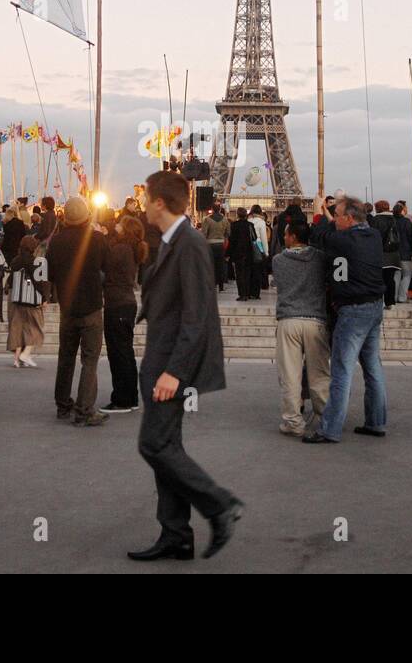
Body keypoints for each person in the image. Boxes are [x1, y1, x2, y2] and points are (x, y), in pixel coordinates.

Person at [128, 170, 240, 562]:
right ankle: (176, 534)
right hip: (160, 358)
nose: (142, 205)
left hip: (169, 364)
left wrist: (174, 371)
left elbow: (197, 314)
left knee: (153, 444)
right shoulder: (171, 241)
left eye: (145, 198)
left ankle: (219, 504)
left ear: (159, 201)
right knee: (166, 446)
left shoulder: (189, 243)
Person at [303, 192, 387, 443]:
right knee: (373, 368)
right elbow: (337, 232)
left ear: (349, 218)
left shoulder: (344, 242)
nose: (335, 219)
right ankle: (376, 422)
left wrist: (319, 212)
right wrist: (331, 213)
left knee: (341, 370)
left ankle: (330, 429)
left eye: (338, 216)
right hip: (375, 306)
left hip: (352, 310)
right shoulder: (373, 235)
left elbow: (319, 236)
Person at [45, 196, 107, 426]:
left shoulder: (57, 242)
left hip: (67, 308)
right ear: (87, 216)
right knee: (89, 360)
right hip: (91, 306)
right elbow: (106, 269)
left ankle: (63, 404)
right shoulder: (98, 240)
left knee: (66, 357)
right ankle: (84, 410)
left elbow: (50, 275)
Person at [272, 218, 330, 437]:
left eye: (286, 234)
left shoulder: (278, 260)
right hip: (315, 320)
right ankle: (326, 417)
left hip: (289, 320)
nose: (284, 237)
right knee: (320, 374)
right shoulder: (321, 258)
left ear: (293, 237)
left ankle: (293, 421)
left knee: (290, 375)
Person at [101, 215, 146, 413]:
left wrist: (101, 236)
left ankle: (122, 399)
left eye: (119, 224)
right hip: (125, 303)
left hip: (117, 304)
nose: (116, 225)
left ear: (126, 229)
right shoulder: (130, 249)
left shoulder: (121, 249)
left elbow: (104, 266)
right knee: (125, 353)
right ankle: (130, 396)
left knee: (118, 354)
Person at [6, 234, 46, 368]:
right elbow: (38, 281)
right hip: (30, 299)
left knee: (17, 328)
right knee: (35, 327)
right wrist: (44, 298)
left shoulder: (15, 260)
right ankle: (25, 354)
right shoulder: (35, 261)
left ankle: (17, 359)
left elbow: (10, 279)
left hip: (16, 298)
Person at [370, 200, 401, 309]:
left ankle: (378, 301)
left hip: (380, 254)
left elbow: (373, 238)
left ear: (378, 208)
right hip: (393, 255)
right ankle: (390, 302)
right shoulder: (394, 220)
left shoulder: (376, 220)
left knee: (378, 279)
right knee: (390, 279)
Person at [227, 207, 258, 301]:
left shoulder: (234, 225)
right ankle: (248, 293)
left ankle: (242, 294)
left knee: (239, 274)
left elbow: (231, 241)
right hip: (249, 252)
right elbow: (255, 238)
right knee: (247, 274)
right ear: (246, 215)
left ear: (237, 215)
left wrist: (228, 254)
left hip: (237, 253)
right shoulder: (250, 225)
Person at [198, 202, 229, 292]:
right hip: (221, 244)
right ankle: (221, 286)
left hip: (210, 244)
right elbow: (228, 232)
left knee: (210, 265)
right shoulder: (225, 220)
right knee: (220, 265)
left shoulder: (207, 219)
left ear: (212, 209)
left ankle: (212, 284)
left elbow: (204, 233)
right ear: (219, 209)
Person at [392, 202, 412, 302]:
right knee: (407, 275)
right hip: (406, 253)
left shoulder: (391, 221)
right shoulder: (407, 222)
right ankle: (402, 297)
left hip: (394, 253)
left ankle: (394, 296)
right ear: (402, 211)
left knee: (396, 274)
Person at [247, 204, 270, 292]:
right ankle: (257, 290)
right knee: (258, 268)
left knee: (250, 269)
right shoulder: (261, 222)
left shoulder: (248, 220)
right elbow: (264, 238)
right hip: (258, 246)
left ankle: (250, 288)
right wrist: (266, 251)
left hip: (249, 246)